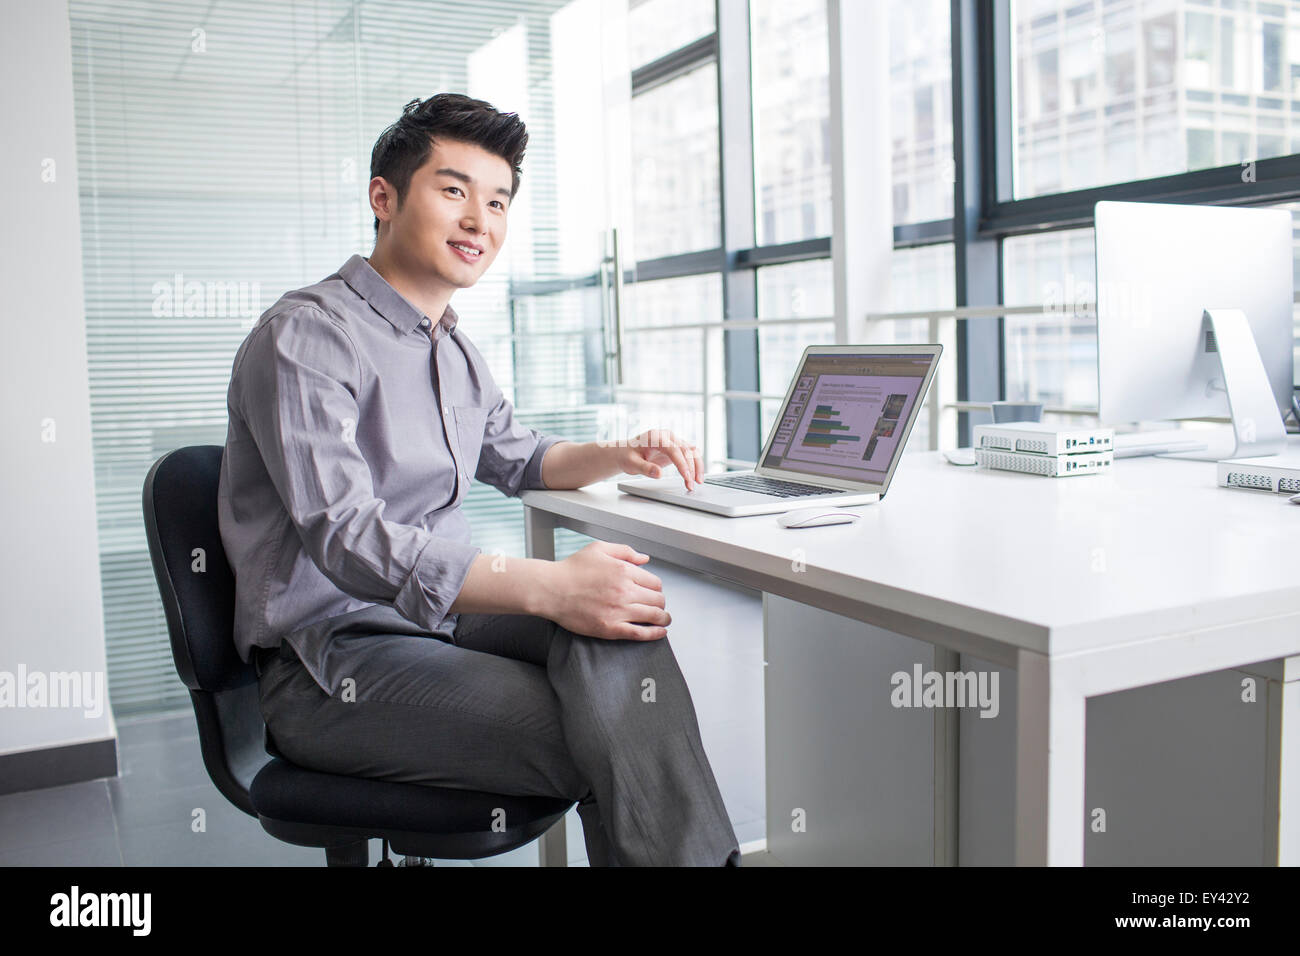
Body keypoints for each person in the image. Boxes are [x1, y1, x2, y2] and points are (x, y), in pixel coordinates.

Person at [217, 92, 741, 866]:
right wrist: (548, 585)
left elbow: (520, 455)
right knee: (612, 738)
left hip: (440, 623)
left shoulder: (452, 348)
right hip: (333, 662)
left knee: (620, 621)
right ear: (384, 197)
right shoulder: (307, 337)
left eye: (497, 201)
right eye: (455, 190)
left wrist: (620, 453)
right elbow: (345, 534)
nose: (480, 220)